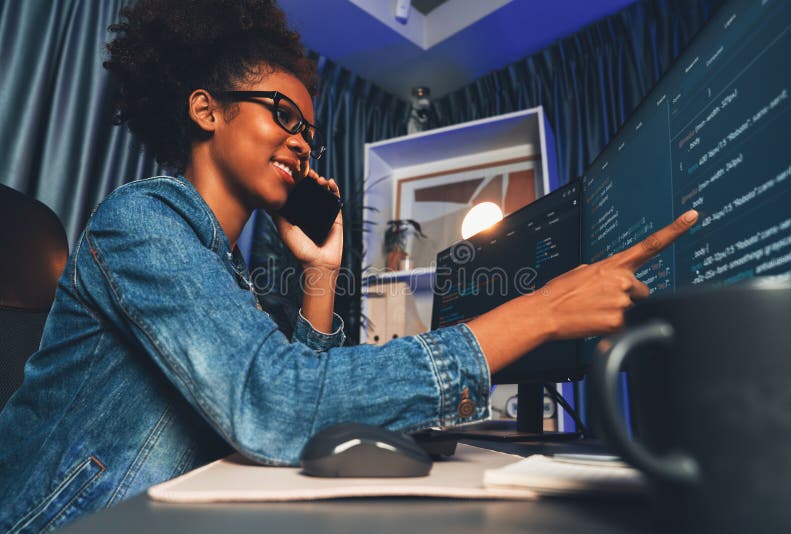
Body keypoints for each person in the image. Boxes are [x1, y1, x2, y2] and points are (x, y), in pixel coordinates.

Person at [0, 0, 698, 531]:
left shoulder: (218, 266)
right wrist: (541, 311)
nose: (302, 143)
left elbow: (293, 401)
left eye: (309, 128)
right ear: (206, 111)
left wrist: (322, 269)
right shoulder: (142, 221)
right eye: (282, 113)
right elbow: (276, 405)